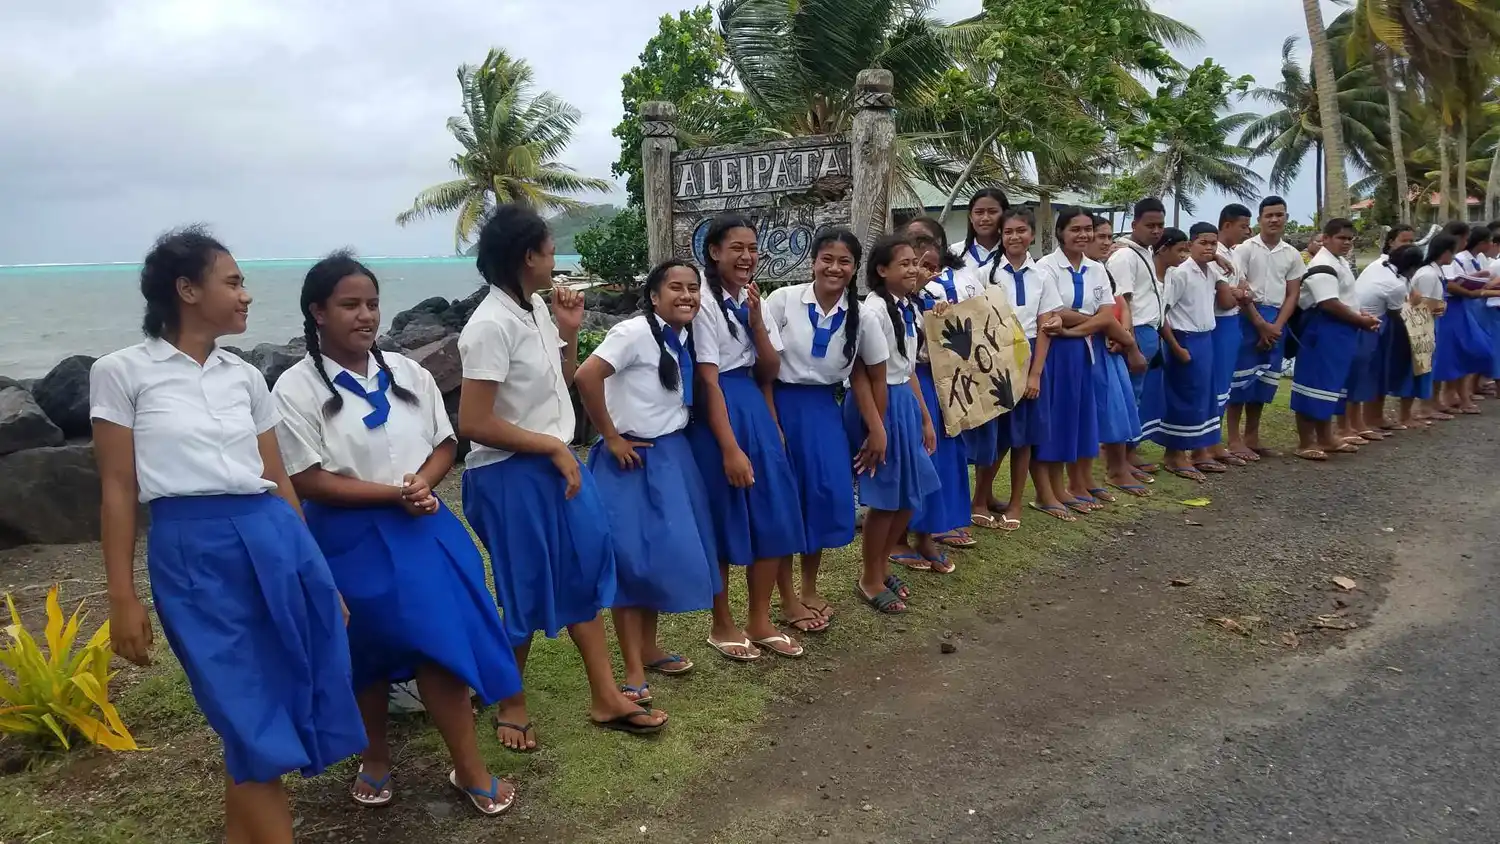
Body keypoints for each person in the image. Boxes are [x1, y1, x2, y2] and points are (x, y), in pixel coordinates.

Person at [90, 227, 366, 843]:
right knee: (245, 715)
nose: (246, 296)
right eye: (233, 282)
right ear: (187, 290)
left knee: (274, 710)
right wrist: (122, 595)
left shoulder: (243, 376)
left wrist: (318, 575)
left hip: (274, 538)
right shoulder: (121, 373)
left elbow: (278, 480)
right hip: (193, 554)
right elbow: (117, 489)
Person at [274, 252, 520, 814]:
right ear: (317, 312)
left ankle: (469, 767)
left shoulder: (408, 372)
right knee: (366, 653)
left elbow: (445, 441)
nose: (366, 316)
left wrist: (422, 483)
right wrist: (394, 494)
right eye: (349, 305)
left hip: (422, 528)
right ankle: (375, 757)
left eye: (372, 304)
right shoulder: (294, 388)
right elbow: (306, 478)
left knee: (441, 644)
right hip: (346, 538)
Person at [457, 204, 668, 743]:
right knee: (523, 584)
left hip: (552, 462)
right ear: (527, 256)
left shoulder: (534, 309)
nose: (557, 263)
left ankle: (605, 696)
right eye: (551, 252)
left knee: (582, 570)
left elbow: (560, 381)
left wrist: (570, 331)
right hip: (507, 473)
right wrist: (552, 448)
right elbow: (475, 422)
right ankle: (512, 702)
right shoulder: (488, 326)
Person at [575, 259, 722, 702]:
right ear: (654, 296)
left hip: (670, 455)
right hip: (631, 459)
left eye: (693, 288)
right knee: (631, 561)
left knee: (659, 554)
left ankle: (650, 646)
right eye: (675, 288)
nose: (686, 295)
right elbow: (586, 375)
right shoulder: (633, 332)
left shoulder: (681, 336)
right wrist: (612, 436)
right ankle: (633, 669)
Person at [686, 214, 809, 660]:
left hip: (753, 404)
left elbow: (770, 369)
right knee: (723, 518)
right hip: (719, 410)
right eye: (737, 247)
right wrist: (730, 448)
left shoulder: (752, 298)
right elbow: (708, 378)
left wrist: (757, 320)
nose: (747, 256)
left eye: (753, 248)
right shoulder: (702, 303)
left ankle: (760, 619)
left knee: (773, 513)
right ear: (714, 251)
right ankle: (722, 624)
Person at [762, 230, 889, 623]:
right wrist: (772, 422)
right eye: (827, 259)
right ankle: (785, 600)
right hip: (781, 405)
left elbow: (872, 376)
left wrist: (876, 428)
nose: (835, 268)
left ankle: (809, 588)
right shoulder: (783, 300)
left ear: (855, 268)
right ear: (813, 261)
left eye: (845, 261)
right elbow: (763, 368)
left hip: (823, 412)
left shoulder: (863, 315)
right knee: (786, 503)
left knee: (818, 499)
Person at [843, 234, 940, 612]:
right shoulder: (873, 312)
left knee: (908, 495)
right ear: (882, 271)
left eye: (916, 262)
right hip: (878, 407)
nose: (914, 269)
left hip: (903, 403)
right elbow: (862, 375)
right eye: (905, 263)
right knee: (885, 499)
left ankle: (881, 569)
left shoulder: (907, 308)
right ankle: (869, 578)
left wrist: (926, 417)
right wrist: (876, 427)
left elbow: (908, 367)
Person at [903, 217, 977, 549]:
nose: (924, 271)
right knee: (921, 454)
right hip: (911, 380)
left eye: (931, 265)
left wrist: (942, 315)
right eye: (916, 262)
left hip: (940, 380)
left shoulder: (930, 298)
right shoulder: (891, 302)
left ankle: (940, 521)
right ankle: (914, 531)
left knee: (946, 452)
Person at [987, 208, 1063, 516]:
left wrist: (1035, 375)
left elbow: (1046, 328)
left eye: (1021, 231)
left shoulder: (1043, 275)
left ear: (1031, 234)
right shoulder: (988, 272)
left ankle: (1016, 503)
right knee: (997, 435)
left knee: (1024, 438)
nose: (1014, 237)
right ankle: (982, 498)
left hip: (1031, 352)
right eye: (1008, 232)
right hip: (996, 356)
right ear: (1001, 236)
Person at [1032, 208, 1106, 520]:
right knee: (1051, 420)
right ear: (1061, 232)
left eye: (1088, 229)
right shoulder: (1045, 267)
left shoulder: (1096, 268)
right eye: (1075, 229)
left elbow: (1107, 312)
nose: (1083, 235)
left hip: (1080, 349)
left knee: (1074, 419)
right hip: (1052, 352)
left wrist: (1075, 328)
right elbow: (1053, 311)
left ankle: (1063, 486)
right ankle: (1044, 491)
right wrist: (1094, 321)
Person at [1289, 218, 1381, 461]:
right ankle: (1306, 441)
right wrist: (1359, 320)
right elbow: (1328, 303)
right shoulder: (1322, 265)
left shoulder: (1339, 262)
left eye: (1350, 239)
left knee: (1332, 386)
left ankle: (1326, 437)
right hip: (1323, 329)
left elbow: (1345, 298)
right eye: (1341, 238)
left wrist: (1361, 314)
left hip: (1343, 331)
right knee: (1313, 384)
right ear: (1326, 238)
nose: (1347, 243)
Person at [1227, 196, 1306, 459]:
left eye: (1279, 215)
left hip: (1277, 318)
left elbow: (1293, 293)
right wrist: (1261, 324)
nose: (1274, 220)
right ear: (1259, 219)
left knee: (1264, 379)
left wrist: (1277, 326)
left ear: (1286, 217)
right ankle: (1234, 439)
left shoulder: (1292, 254)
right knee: (1240, 379)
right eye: (1269, 215)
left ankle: (1252, 435)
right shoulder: (1245, 249)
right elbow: (1239, 289)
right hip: (1248, 317)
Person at [1149, 224, 1224, 480]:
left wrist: (1219, 258)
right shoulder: (1181, 274)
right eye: (1203, 243)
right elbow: (1163, 313)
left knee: (1205, 396)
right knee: (1185, 395)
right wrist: (1176, 347)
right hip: (1185, 338)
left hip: (1206, 338)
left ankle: (1201, 452)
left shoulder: (1210, 271)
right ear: (1190, 244)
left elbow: (1225, 274)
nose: (1209, 248)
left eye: (1213, 244)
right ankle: (1175, 455)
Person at [1106, 198, 1168, 480]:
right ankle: (1121, 458)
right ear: (1134, 225)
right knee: (1128, 396)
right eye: (1150, 225)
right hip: (1135, 332)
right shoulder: (1125, 256)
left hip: (1149, 330)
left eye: (1160, 225)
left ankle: (1131, 451)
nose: (1156, 231)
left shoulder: (1145, 253)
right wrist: (1131, 344)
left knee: (1138, 395)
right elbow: (1123, 302)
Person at [1088, 215, 1147, 500]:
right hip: (1093, 346)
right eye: (1100, 236)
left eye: (1109, 237)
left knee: (1122, 406)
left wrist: (1124, 332)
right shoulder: (1081, 271)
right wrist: (1125, 339)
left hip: (1113, 346)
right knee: (1105, 410)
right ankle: (1111, 468)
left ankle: (1120, 463)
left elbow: (1120, 302)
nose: (1106, 242)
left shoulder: (1103, 269)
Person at [1345, 228, 1416, 435]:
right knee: (1364, 373)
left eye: (1412, 241)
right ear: (1391, 242)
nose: (1408, 244)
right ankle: (1357, 423)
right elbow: (1399, 312)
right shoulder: (1390, 276)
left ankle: (1372, 417)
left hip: (1377, 320)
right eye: (1405, 240)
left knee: (1378, 372)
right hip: (1371, 322)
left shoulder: (1391, 270)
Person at [1209, 204, 1254, 466]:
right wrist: (1240, 293)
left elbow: (1246, 290)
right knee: (1215, 386)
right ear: (1227, 225)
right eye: (1242, 226)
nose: (1246, 232)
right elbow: (1227, 298)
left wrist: (1241, 293)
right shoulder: (1213, 253)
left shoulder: (1232, 254)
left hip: (1231, 323)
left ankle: (1215, 440)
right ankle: (1210, 442)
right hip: (1218, 323)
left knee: (1224, 386)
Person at [1407, 234, 1457, 423]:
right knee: (1425, 366)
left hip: (1432, 321)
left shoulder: (1435, 272)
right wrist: (1439, 307)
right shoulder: (1428, 274)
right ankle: (1424, 408)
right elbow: (1422, 304)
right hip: (1424, 323)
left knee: (1431, 365)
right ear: (1445, 253)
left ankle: (1431, 404)